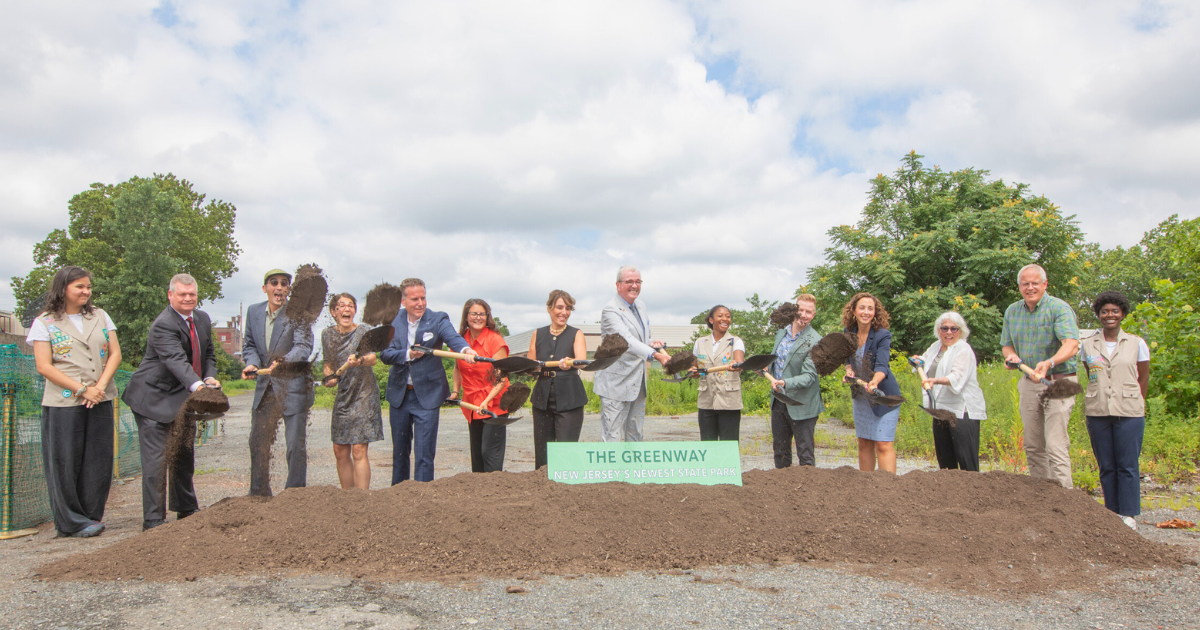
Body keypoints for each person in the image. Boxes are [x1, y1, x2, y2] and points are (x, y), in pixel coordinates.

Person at [26, 266, 122, 538]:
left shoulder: (100, 316)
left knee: (98, 459)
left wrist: (99, 387)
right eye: (80, 286)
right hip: (64, 403)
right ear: (63, 288)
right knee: (65, 461)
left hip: (100, 398)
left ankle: (91, 516)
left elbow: (115, 354)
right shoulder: (45, 323)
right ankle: (70, 522)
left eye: (88, 286)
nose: (86, 291)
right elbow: (44, 366)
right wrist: (82, 390)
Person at [123, 273, 218, 530]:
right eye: (182, 294)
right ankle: (154, 521)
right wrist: (199, 387)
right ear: (170, 295)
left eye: (192, 294)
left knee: (183, 455)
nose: (188, 299)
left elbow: (208, 353)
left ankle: (186, 509)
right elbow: (176, 360)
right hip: (152, 399)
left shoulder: (202, 319)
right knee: (157, 460)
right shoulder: (163, 324)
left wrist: (209, 378)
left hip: (182, 400)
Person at [379, 278, 477, 483]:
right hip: (399, 396)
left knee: (424, 455)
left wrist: (465, 349)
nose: (420, 303)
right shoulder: (391, 320)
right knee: (399, 454)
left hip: (428, 396)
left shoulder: (438, 319)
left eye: (423, 298)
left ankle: (422, 500)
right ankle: (399, 497)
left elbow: (453, 338)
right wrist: (408, 354)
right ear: (402, 301)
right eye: (414, 299)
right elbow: (385, 354)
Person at [1000, 263, 1081, 488]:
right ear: (1019, 287)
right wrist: (1012, 358)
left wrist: (1049, 362)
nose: (1030, 287)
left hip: (1059, 381)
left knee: (1055, 444)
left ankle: (1065, 500)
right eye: (1025, 283)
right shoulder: (1012, 311)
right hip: (1029, 382)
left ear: (1045, 284)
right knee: (1033, 444)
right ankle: (1042, 498)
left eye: (1035, 283)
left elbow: (1071, 345)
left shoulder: (1059, 308)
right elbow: (1006, 346)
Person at [241, 268, 315, 497]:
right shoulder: (253, 312)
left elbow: (303, 346)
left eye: (284, 283)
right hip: (265, 388)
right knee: (258, 442)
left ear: (289, 289)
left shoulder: (299, 313)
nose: (280, 287)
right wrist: (252, 364)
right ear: (265, 288)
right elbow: (250, 344)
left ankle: (295, 495)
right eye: (274, 283)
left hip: (293, 385)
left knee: (295, 446)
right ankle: (259, 494)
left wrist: (283, 362)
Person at [1080, 291, 1150, 530]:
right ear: (1099, 314)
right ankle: (1111, 513)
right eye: (1105, 311)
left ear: (1122, 314)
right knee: (1106, 465)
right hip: (1098, 411)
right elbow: (1090, 373)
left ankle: (1128, 514)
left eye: (1115, 311)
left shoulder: (1136, 343)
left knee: (1127, 465)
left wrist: (1134, 401)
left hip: (1129, 412)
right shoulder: (1088, 344)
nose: (1110, 315)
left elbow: (1143, 377)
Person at [594, 266, 671, 442]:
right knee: (612, 436)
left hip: (638, 382)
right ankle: (612, 471)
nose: (634, 285)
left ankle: (633, 470)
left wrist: (650, 343)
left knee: (635, 435)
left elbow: (639, 339)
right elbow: (626, 341)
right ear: (618, 285)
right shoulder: (610, 310)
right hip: (615, 383)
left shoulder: (641, 306)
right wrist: (655, 355)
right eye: (629, 281)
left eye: (638, 281)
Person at [321, 293, 383, 490]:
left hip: (364, 393)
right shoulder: (327, 334)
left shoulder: (365, 330)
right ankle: (348, 498)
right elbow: (328, 364)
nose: (346, 309)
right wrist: (330, 377)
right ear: (333, 312)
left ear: (354, 311)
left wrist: (360, 361)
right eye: (341, 306)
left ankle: (362, 498)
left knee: (358, 449)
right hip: (344, 395)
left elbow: (373, 358)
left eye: (350, 305)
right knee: (339, 449)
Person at [914, 311, 987, 472]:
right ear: (938, 330)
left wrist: (936, 380)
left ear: (961, 331)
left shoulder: (963, 349)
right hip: (940, 409)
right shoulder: (935, 347)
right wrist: (918, 360)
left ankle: (971, 494)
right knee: (945, 461)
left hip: (962, 410)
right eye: (944, 328)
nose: (949, 332)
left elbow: (957, 376)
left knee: (966, 460)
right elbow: (925, 361)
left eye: (954, 329)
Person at [528, 290, 589, 469]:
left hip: (569, 396)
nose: (564, 312)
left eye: (568, 308)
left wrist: (570, 362)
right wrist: (534, 367)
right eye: (560, 307)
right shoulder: (537, 334)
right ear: (549, 309)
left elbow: (582, 362)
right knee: (543, 451)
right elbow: (531, 367)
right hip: (542, 397)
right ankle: (542, 488)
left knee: (566, 450)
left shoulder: (576, 333)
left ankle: (566, 488)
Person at [843, 292, 902, 474]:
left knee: (883, 443)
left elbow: (882, 366)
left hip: (883, 395)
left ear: (875, 312)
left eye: (870, 308)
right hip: (861, 397)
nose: (866, 312)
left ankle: (887, 489)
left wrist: (875, 382)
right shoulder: (848, 333)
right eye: (862, 307)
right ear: (854, 310)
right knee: (864, 442)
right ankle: (867, 488)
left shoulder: (882, 335)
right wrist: (848, 370)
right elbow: (847, 358)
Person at [762, 294, 825, 466]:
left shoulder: (816, 341)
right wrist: (768, 367)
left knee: (805, 454)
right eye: (801, 310)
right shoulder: (781, 333)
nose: (804, 315)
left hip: (802, 403)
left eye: (809, 312)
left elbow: (810, 376)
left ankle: (806, 491)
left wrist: (785, 383)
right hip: (779, 401)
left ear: (813, 315)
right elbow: (780, 360)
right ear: (794, 310)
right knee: (780, 452)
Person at [449, 299, 510, 473]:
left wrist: (486, 401)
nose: (478, 317)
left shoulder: (495, 341)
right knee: (476, 454)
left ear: (487, 317)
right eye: (474, 314)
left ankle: (493, 492)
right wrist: (455, 391)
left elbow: (502, 379)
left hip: (494, 405)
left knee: (489, 453)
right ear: (466, 317)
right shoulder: (461, 342)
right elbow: (457, 368)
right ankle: (479, 496)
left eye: (482, 314)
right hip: (472, 405)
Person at [691, 305, 745, 441]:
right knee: (708, 443)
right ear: (711, 320)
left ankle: (729, 464)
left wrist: (736, 365)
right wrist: (693, 372)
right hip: (706, 400)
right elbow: (695, 368)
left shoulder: (736, 342)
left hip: (729, 400)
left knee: (729, 445)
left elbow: (739, 362)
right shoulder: (700, 342)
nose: (725, 319)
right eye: (720, 316)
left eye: (728, 316)